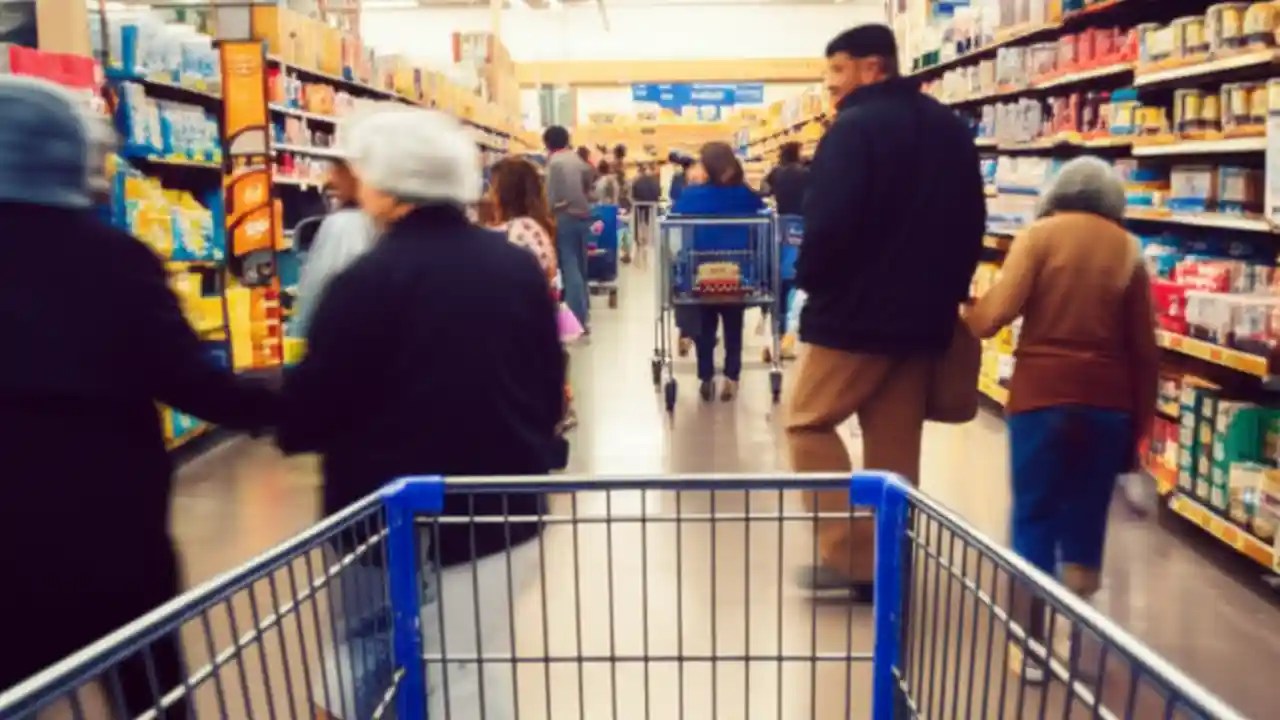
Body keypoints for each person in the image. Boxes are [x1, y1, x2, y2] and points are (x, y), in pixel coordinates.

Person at [0, 76, 277, 716]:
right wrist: (279, 406)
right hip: (106, 530)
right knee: (146, 685)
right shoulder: (111, 258)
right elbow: (182, 375)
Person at [278, 109, 565, 719]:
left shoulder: (366, 281)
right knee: (471, 671)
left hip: (388, 522)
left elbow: (314, 408)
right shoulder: (512, 267)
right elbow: (547, 386)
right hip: (501, 510)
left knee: (366, 665)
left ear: (385, 186)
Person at [785, 24, 985, 599]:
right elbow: (972, 220)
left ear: (874, 67)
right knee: (894, 447)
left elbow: (830, 224)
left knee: (807, 423)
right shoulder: (950, 128)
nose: (832, 89)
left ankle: (854, 556)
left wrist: (811, 281)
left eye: (838, 73)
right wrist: (946, 293)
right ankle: (890, 563)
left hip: (853, 318)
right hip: (923, 318)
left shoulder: (854, 130)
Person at [963, 156, 1158, 681]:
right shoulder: (1128, 251)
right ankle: (1072, 631)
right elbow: (1145, 352)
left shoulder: (1039, 237)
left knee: (1033, 515)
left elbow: (994, 317)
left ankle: (1028, 645)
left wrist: (966, 310)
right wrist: (1136, 430)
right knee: (1085, 516)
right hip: (1107, 405)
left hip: (1042, 399)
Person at [486, 155, 579, 431]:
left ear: (505, 192)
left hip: (517, 325)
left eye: (492, 187)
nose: (488, 194)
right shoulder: (536, 226)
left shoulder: (513, 232)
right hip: (540, 319)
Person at [671, 141, 766, 402]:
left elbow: (673, 217)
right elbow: (763, 214)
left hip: (701, 274)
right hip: (738, 275)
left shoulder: (693, 195)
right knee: (733, 327)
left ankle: (705, 377)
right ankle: (732, 377)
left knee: (705, 328)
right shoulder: (746, 195)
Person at [292, 157, 377, 336]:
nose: (331, 178)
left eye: (338, 171)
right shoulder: (384, 224)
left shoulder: (343, 225)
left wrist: (297, 334)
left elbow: (316, 293)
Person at [545, 126, 595, 329]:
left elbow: (550, 194)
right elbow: (589, 181)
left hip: (564, 216)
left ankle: (576, 320)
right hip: (583, 215)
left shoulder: (554, 163)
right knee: (581, 266)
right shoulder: (578, 160)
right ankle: (585, 311)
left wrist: (550, 210)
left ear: (548, 144)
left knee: (569, 266)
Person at [762, 140, 809, 216]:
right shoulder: (806, 172)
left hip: (783, 217)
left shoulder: (776, 172)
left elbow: (765, 191)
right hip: (802, 217)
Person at [630, 162, 662, 265]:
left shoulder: (637, 181)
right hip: (652, 209)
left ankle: (639, 244)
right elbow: (658, 194)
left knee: (640, 226)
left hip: (638, 209)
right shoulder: (654, 181)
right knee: (649, 227)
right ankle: (648, 244)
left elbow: (633, 194)